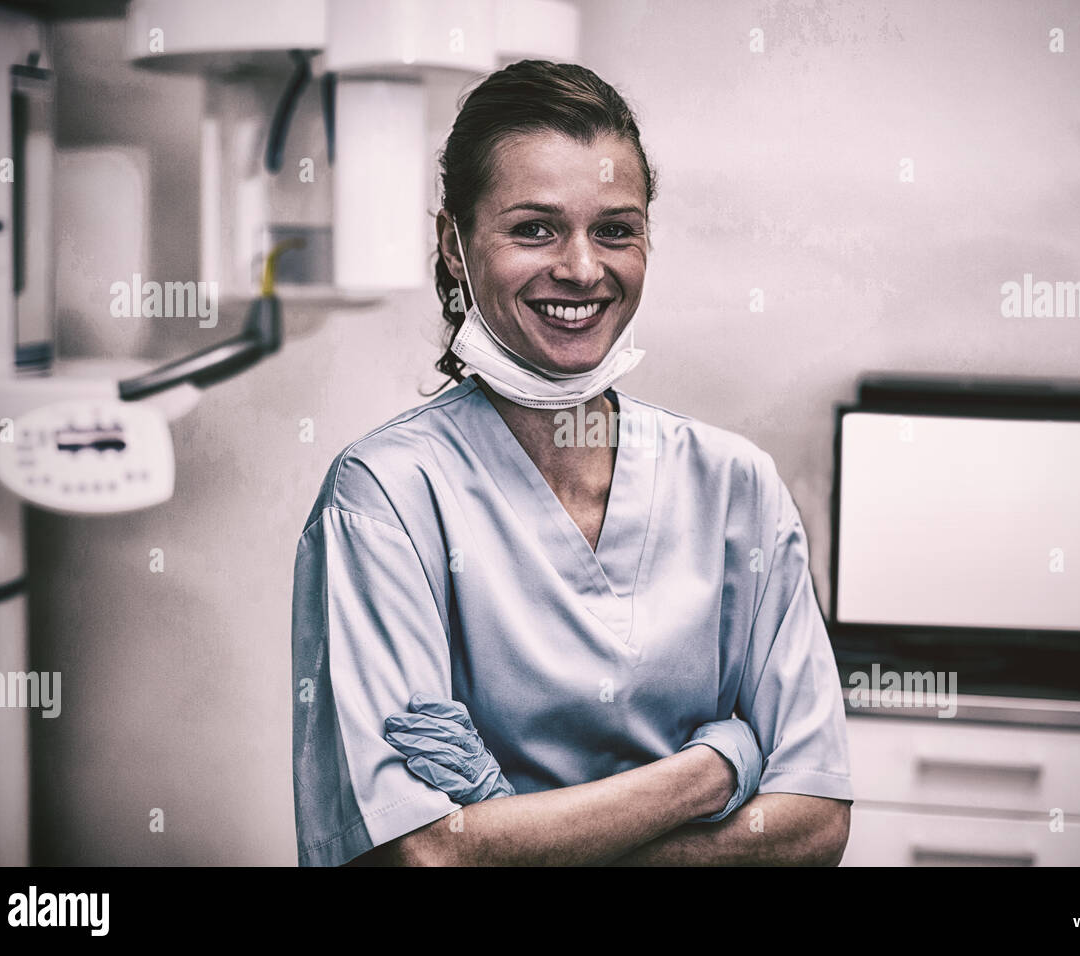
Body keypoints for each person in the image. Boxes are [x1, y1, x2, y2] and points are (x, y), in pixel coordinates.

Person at [291, 60, 853, 867]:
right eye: (535, 229)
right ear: (453, 245)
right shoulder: (385, 498)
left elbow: (815, 825)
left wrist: (509, 829)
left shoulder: (736, 486)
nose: (583, 270)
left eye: (615, 230)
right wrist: (713, 769)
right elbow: (423, 856)